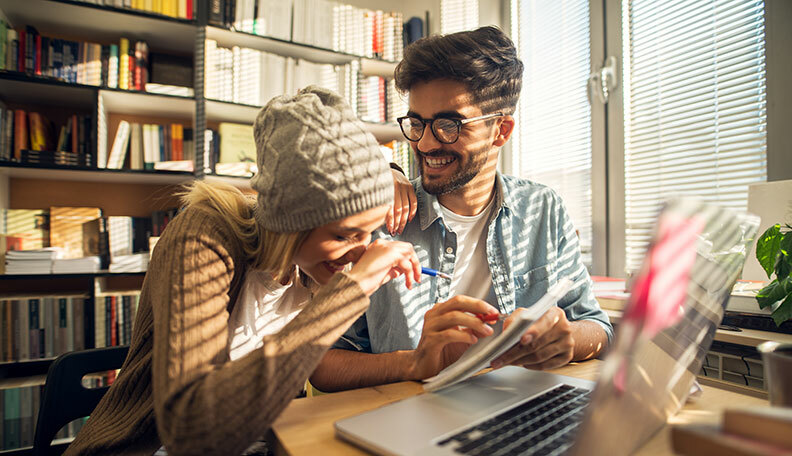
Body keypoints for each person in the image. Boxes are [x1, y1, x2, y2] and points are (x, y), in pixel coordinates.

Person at [65, 86, 421, 456]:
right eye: (345, 235)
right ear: (291, 222)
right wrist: (350, 291)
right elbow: (191, 429)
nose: (362, 252)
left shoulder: (310, 271)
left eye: (370, 232)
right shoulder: (204, 235)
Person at [311, 26, 613, 392]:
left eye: (448, 125)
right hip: (407, 418)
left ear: (500, 131)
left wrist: (567, 340)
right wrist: (415, 363)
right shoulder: (381, 221)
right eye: (417, 123)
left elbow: (597, 328)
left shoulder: (542, 209)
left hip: (516, 407)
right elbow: (322, 365)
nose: (424, 142)